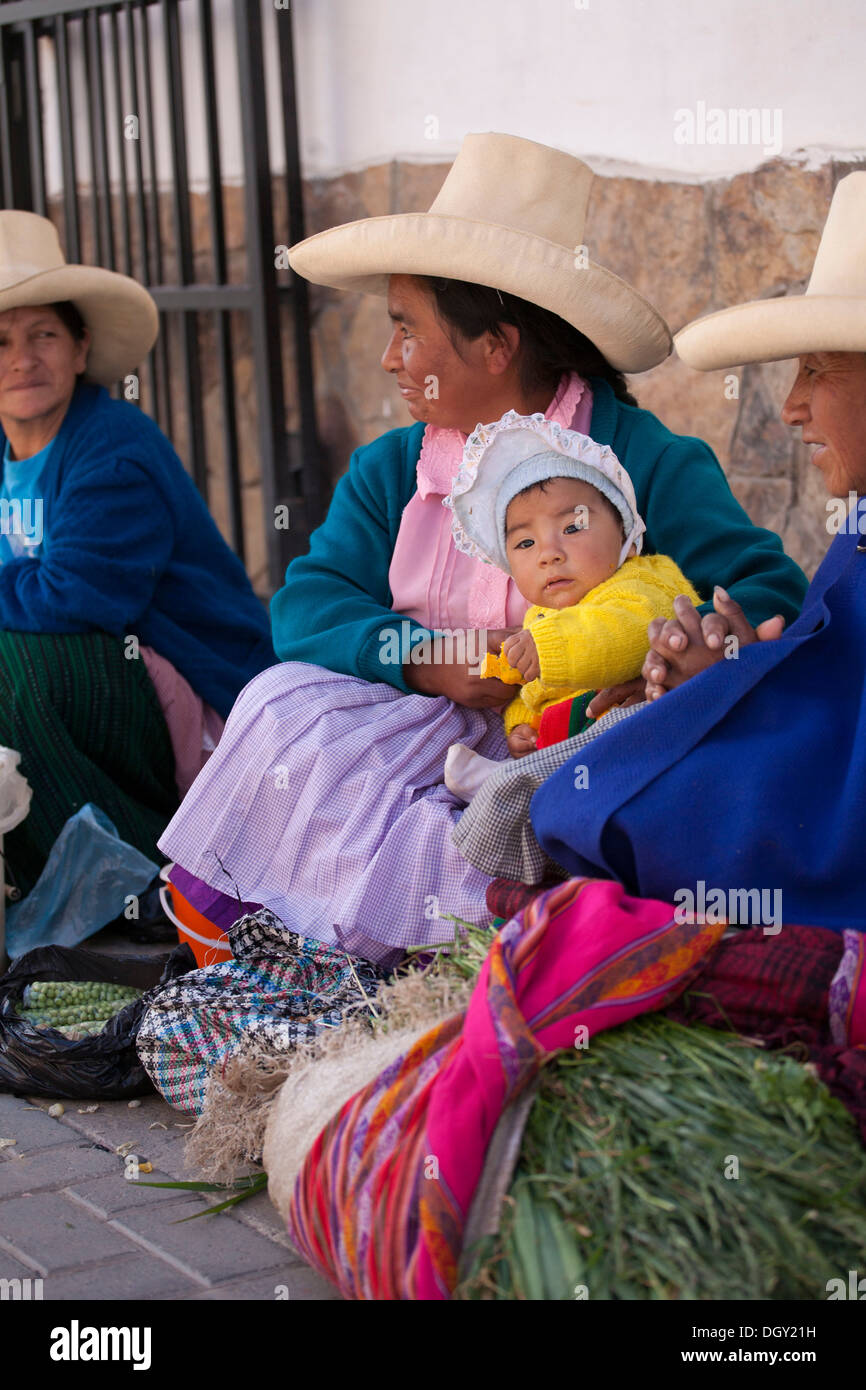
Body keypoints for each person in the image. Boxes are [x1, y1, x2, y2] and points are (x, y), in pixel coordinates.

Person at [158, 131, 808, 966]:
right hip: (417, 735)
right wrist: (423, 656)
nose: (390, 358)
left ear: (497, 345)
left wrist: (670, 652)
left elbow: (763, 588)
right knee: (283, 703)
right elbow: (309, 604)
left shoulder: (640, 463)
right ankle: (351, 943)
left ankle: (499, 947)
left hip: (566, 743)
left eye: (405, 329)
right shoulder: (395, 471)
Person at [525, 169, 866, 935]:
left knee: (601, 807)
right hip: (811, 779)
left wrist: (743, 697)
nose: (790, 406)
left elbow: (844, 745)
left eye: (818, 368)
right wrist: (732, 670)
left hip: (835, 830)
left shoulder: (643, 455)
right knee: (578, 794)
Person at [0, 211, 275, 897]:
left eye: (44, 335)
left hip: (186, 680)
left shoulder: (113, 448)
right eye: (0, 341)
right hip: (94, 658)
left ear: (81, 347)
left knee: (17, 664)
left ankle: (133, 870)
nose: (22, 360)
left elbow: (79, 596)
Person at [442, 410, 699, 801]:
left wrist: (547, 647)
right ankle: (520, 777)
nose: (549, 554)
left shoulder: (641, 581)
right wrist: (520, 727)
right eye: (526, 543)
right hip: (576, 748)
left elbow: (627, 631)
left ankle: (519, 785)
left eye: (573, 526)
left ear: (625, 532)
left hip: (651, 732)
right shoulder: (542, 619)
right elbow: (534, 692)